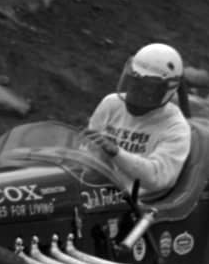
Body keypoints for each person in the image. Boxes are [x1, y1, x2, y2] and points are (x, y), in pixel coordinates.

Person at [82, 43, 192, 200]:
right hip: (96, 193)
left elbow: (157, 178)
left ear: (166, 90)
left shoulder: (175, 126)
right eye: (134, 81)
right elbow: (88, 154)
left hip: (137, 205)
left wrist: (116, 153)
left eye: (148, 87)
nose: (136, 90)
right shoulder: (111, 103)